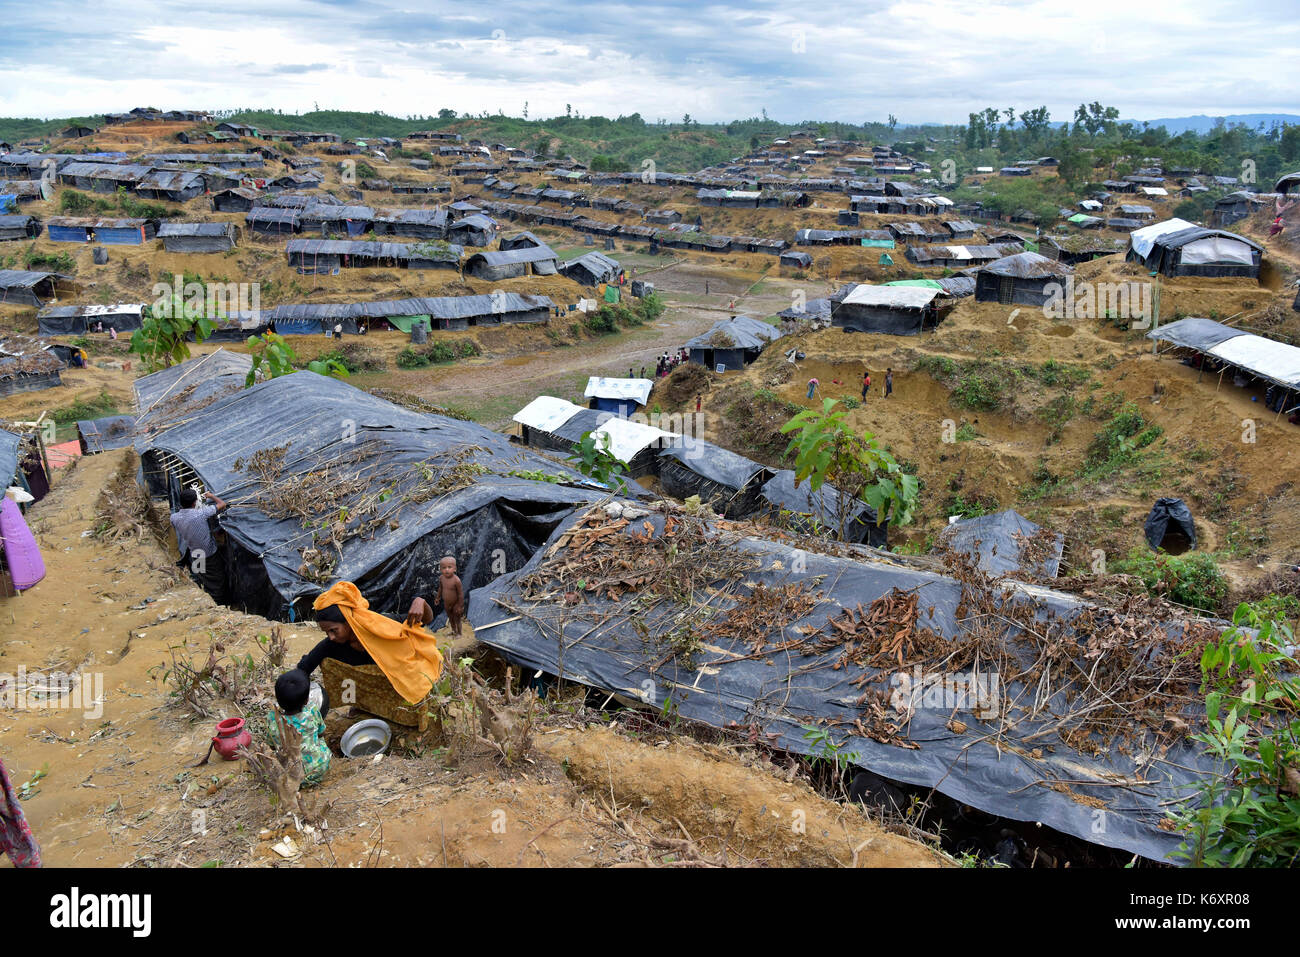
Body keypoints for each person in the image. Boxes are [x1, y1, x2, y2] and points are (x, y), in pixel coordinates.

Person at [301, 581, 443, 705]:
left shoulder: (381, 625)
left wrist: (421, 603)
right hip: (364, 695)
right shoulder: (332, 644)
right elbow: (304, 667)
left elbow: (426, 619)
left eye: (334, 630)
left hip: (396, 692)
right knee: (328, 663)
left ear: (349, 622)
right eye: (327, 633)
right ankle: (360, 705)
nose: (330, 637)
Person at [268, 669, 331, 786]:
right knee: (318, 739)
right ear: (307, 700)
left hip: (291, 778)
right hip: (319, 768)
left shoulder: (273, 718)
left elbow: (271, 745)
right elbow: (322, 733)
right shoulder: (312, 710)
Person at [171, 488, 229, 601]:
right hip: (209, 554)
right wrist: (211, 496)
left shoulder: (174, 518)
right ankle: (220, 602)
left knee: (203, 577)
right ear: (194, 502)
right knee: (217, 578)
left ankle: (207, 598)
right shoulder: (201, 513)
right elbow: (222, 504)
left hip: (195, 553)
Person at [435, 556, 465, 637]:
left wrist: (460, 606)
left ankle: (459, 633)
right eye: (444, 568)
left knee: (457, 619)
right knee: (450, 618)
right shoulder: (441, 578)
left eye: (449, 567)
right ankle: (454, 630)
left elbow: (460, 594)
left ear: (455, 569)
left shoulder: (456, 580)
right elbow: (440, 588)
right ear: (440, 569)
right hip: (447, 603)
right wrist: (438, 597)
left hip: (456, 603)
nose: (447, 570)